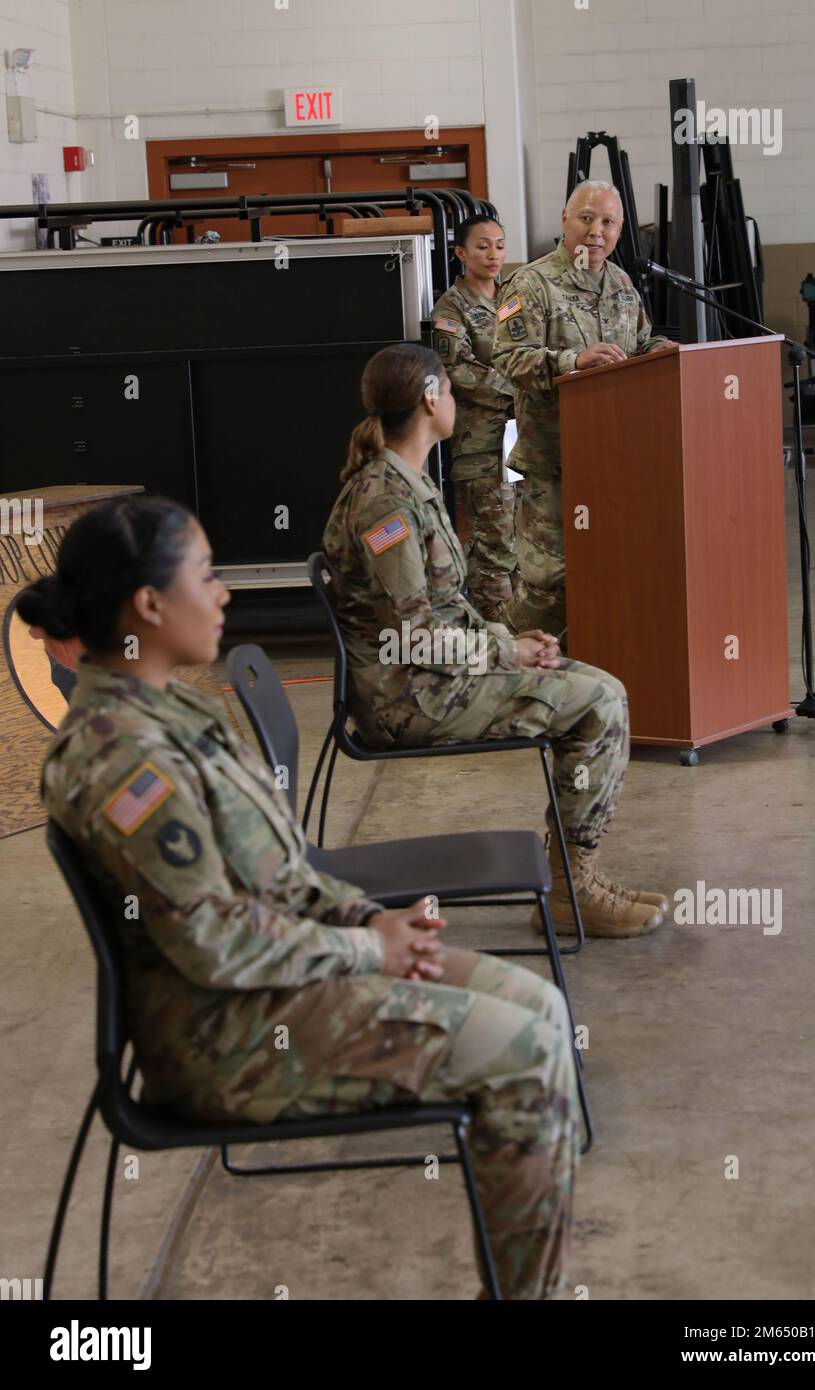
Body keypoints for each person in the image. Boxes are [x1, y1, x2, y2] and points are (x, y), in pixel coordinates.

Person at [19, 494, 579, 1302]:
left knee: (547, 1013)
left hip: (286, 985)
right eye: (207, 576)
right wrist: (368, 951)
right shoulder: (119, 760)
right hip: (229, 1036)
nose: (224, 594)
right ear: (148, 604)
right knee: (523, 1054)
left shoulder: (169, 707)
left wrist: (365, 917)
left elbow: (277, 865)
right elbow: (214, 940)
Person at [322, 342, 669, 937]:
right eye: (450, 391)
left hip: (433, 677)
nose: (454, 399)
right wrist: (508, 652)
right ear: (430, 398)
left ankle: (573, 880)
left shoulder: (404, 481)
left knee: (596, 685)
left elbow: (445, 609)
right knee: (600, 702)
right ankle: (573, 889)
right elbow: (418, 638)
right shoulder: (386, 503)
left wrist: (505, 636)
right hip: (410, 698)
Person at [492, 180, 675, 637]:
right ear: (565, 222)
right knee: (550, 585)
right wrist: (574, 362)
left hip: (615, 463)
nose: (596, 231)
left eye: (608, 222)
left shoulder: (621, 283)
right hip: (554, 462)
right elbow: (508, 358)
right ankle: (510, 675)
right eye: (586, 218)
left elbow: (638, 343)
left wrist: (664, 350)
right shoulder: (530, 284)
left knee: (612, 577)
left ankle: (589, 680)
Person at [431, 216, 516, 624]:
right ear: (461, 253)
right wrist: (521, 389)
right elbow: (459, 372)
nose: (494, 254)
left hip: (522, 441)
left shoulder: (513, 297)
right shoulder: (451, 308)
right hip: (481, 445)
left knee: (521, 543)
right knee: (493, 547)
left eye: (499, 245)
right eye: (482, 246)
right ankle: (495, 639)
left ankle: (523, 634)